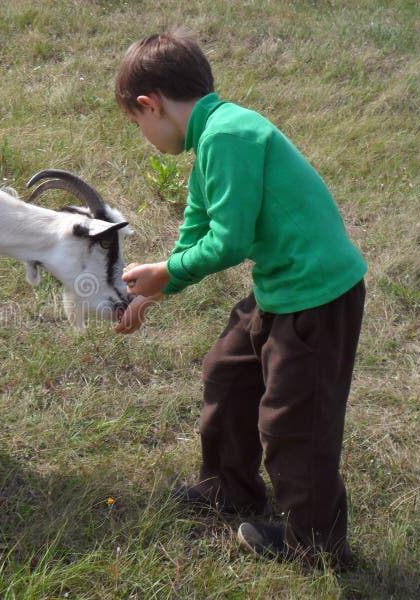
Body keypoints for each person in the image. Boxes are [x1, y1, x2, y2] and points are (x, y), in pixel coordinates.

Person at [113, 30, 366, 569]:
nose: (145, 136)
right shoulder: (213, 135)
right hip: (284, 284)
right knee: (228, 372)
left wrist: (164, 271)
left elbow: (227, 242)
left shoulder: (229, 137)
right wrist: (158, 289)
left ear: (149, 105)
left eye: (138, 127)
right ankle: (230, 488)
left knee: (295, 425)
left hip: (317, 296)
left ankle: (318, 546)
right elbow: (197, 226)